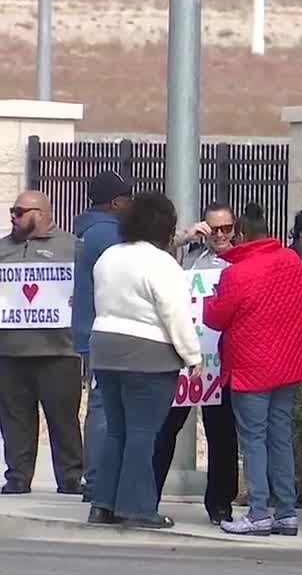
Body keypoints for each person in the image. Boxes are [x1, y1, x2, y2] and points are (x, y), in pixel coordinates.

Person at [86, 192, 201, 529]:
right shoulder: (163, 263)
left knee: (116, 432)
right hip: (148, 354)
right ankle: (137, 507)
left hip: (105, 348)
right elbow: (174, 313)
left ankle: (102, 504)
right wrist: (192, 355)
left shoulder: (109, 256)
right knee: (142, 433)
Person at [204, 204, 302, 537]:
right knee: (281, 437)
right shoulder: (293, 262)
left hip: (251, 368)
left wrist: (210, 299)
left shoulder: (236, 273)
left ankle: (259, 512)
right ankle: (286, 513)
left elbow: (216, 318)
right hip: (289, 364)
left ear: (240, 235)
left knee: (254, 440)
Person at [152, 202, 240, 524]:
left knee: (222, 435)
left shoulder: (240, 261)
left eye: (225, 229)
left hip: (222, 359)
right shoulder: (187, 258)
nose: (219, 235)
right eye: (213, 229)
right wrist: (184, 237)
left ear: (235, 228)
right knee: (166, 429)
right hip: (185, 359)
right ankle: (149, 496)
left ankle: (220, 504)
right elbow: (154, 255)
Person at [0, 191, 83, 495]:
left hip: (59, 350)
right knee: (14, 420)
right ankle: (18, 476)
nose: (13, 216)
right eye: (12, 210)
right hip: (9, 351)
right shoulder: (3, 249)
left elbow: (90, 285)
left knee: (63, 420)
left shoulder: (72, 247)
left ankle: (71, 477)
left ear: (42, 213)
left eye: (19, 211)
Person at [73, 169, 132, 502]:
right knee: (104, 408)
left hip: (89, 330)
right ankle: (96, 481)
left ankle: (95, 478)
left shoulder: (85, 231)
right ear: (115, 202)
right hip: (107, 331)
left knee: (99, 405)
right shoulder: (109, 234)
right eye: (128, 199)